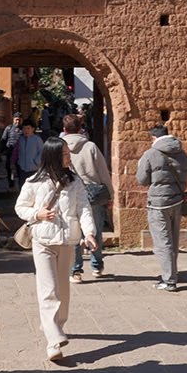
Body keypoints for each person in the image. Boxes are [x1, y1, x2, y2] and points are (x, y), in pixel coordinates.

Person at [15, 137, 98, 362]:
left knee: (63, 290)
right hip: (43, 241)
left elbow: (84, 208)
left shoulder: (74, 181)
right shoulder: (34, 182)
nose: (68, 157)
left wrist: (89, 233)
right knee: (48, 290)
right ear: (52, 156)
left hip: (67, 242)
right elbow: (20, 207)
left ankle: (56, 324)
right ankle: (53, 341)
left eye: (68, 153)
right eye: (64, 154)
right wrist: (37, 214)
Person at [136, 125, 187, 292]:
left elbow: (141, 179)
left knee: (162, 242)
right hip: (177, 200)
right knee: (173, 240)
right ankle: (172, 272)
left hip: (158, 203)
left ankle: (169, 280)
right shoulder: (181, 152)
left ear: (153, 138)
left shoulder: (151, 154)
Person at [61, 114, 113, 281]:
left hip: (69, 191)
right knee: (94, 229)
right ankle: (97, 266)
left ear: (64, 129)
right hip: (92, 193)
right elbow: (103, 172)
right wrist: (110, 194)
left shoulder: (60, 147)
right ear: (80, 129)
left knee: (73, 231)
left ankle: (75, 270)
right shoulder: (90, 146)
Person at [13, 121, 44, 187]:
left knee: (33, 186)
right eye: (24, 128)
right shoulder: (21, 139)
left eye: (28, 128)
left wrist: (36, 162)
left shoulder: (37, 139)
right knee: (22, 185)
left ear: (33, 129)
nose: (26, 130)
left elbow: (42, 152)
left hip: (34, 168)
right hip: (22, 168)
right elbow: (17, 151)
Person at [1, 113, 23, 184]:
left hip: (21, 152)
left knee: (20, 169)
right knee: (9, 168)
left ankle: (21, 184)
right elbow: (3, 139)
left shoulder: (24, 129)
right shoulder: (9, 128)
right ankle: (11, 184)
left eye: (19, 120)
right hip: (10, 151)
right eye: (16, 120)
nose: (18, 121)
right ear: (13, 119)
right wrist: (0, 151)